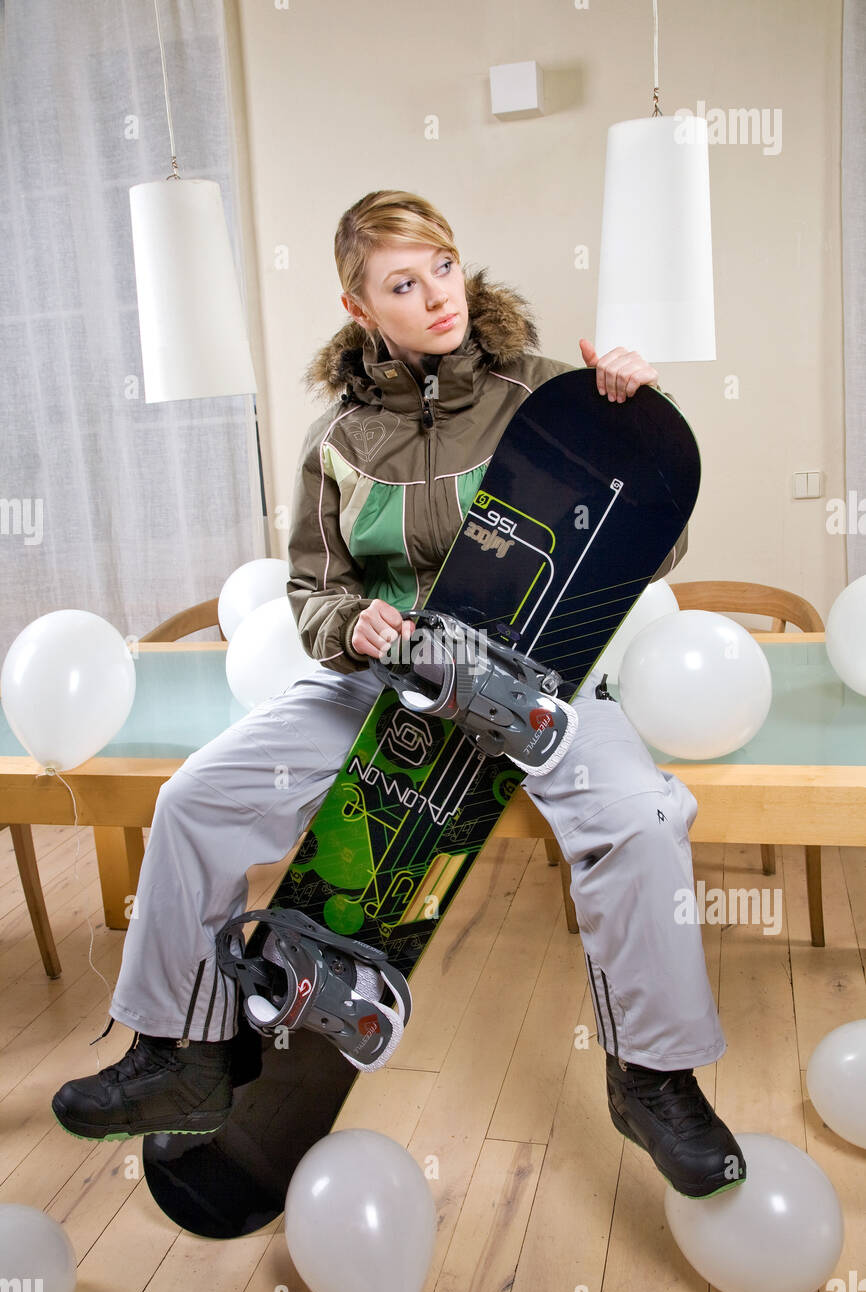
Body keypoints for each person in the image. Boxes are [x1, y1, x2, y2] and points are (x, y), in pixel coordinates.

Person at [52, 190, 745, 1200]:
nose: (435, 299)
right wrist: (351, 624)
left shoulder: (547, 394)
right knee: (193, 798)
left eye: (443, 270)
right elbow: (312, 589)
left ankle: (652, 1077)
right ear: (356, 302)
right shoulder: (337, 439)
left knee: (641, 818)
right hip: (382, 692)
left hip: (540, 685)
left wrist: (640, 419)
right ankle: (185, 1056)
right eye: (402, 284)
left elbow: (646, 542)